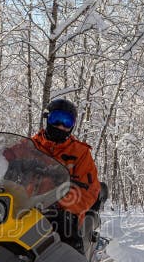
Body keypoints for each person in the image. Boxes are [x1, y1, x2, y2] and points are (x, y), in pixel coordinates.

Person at [31, 98, 101, 253]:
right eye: (56, 119)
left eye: (67, 122)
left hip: (62, 213)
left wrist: (60, 205)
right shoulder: (29, 146)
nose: (60, 126)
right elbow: (5, 163)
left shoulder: (80, 152)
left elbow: (89, 191)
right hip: (26, 208)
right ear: (47, 119)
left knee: (66, 240)